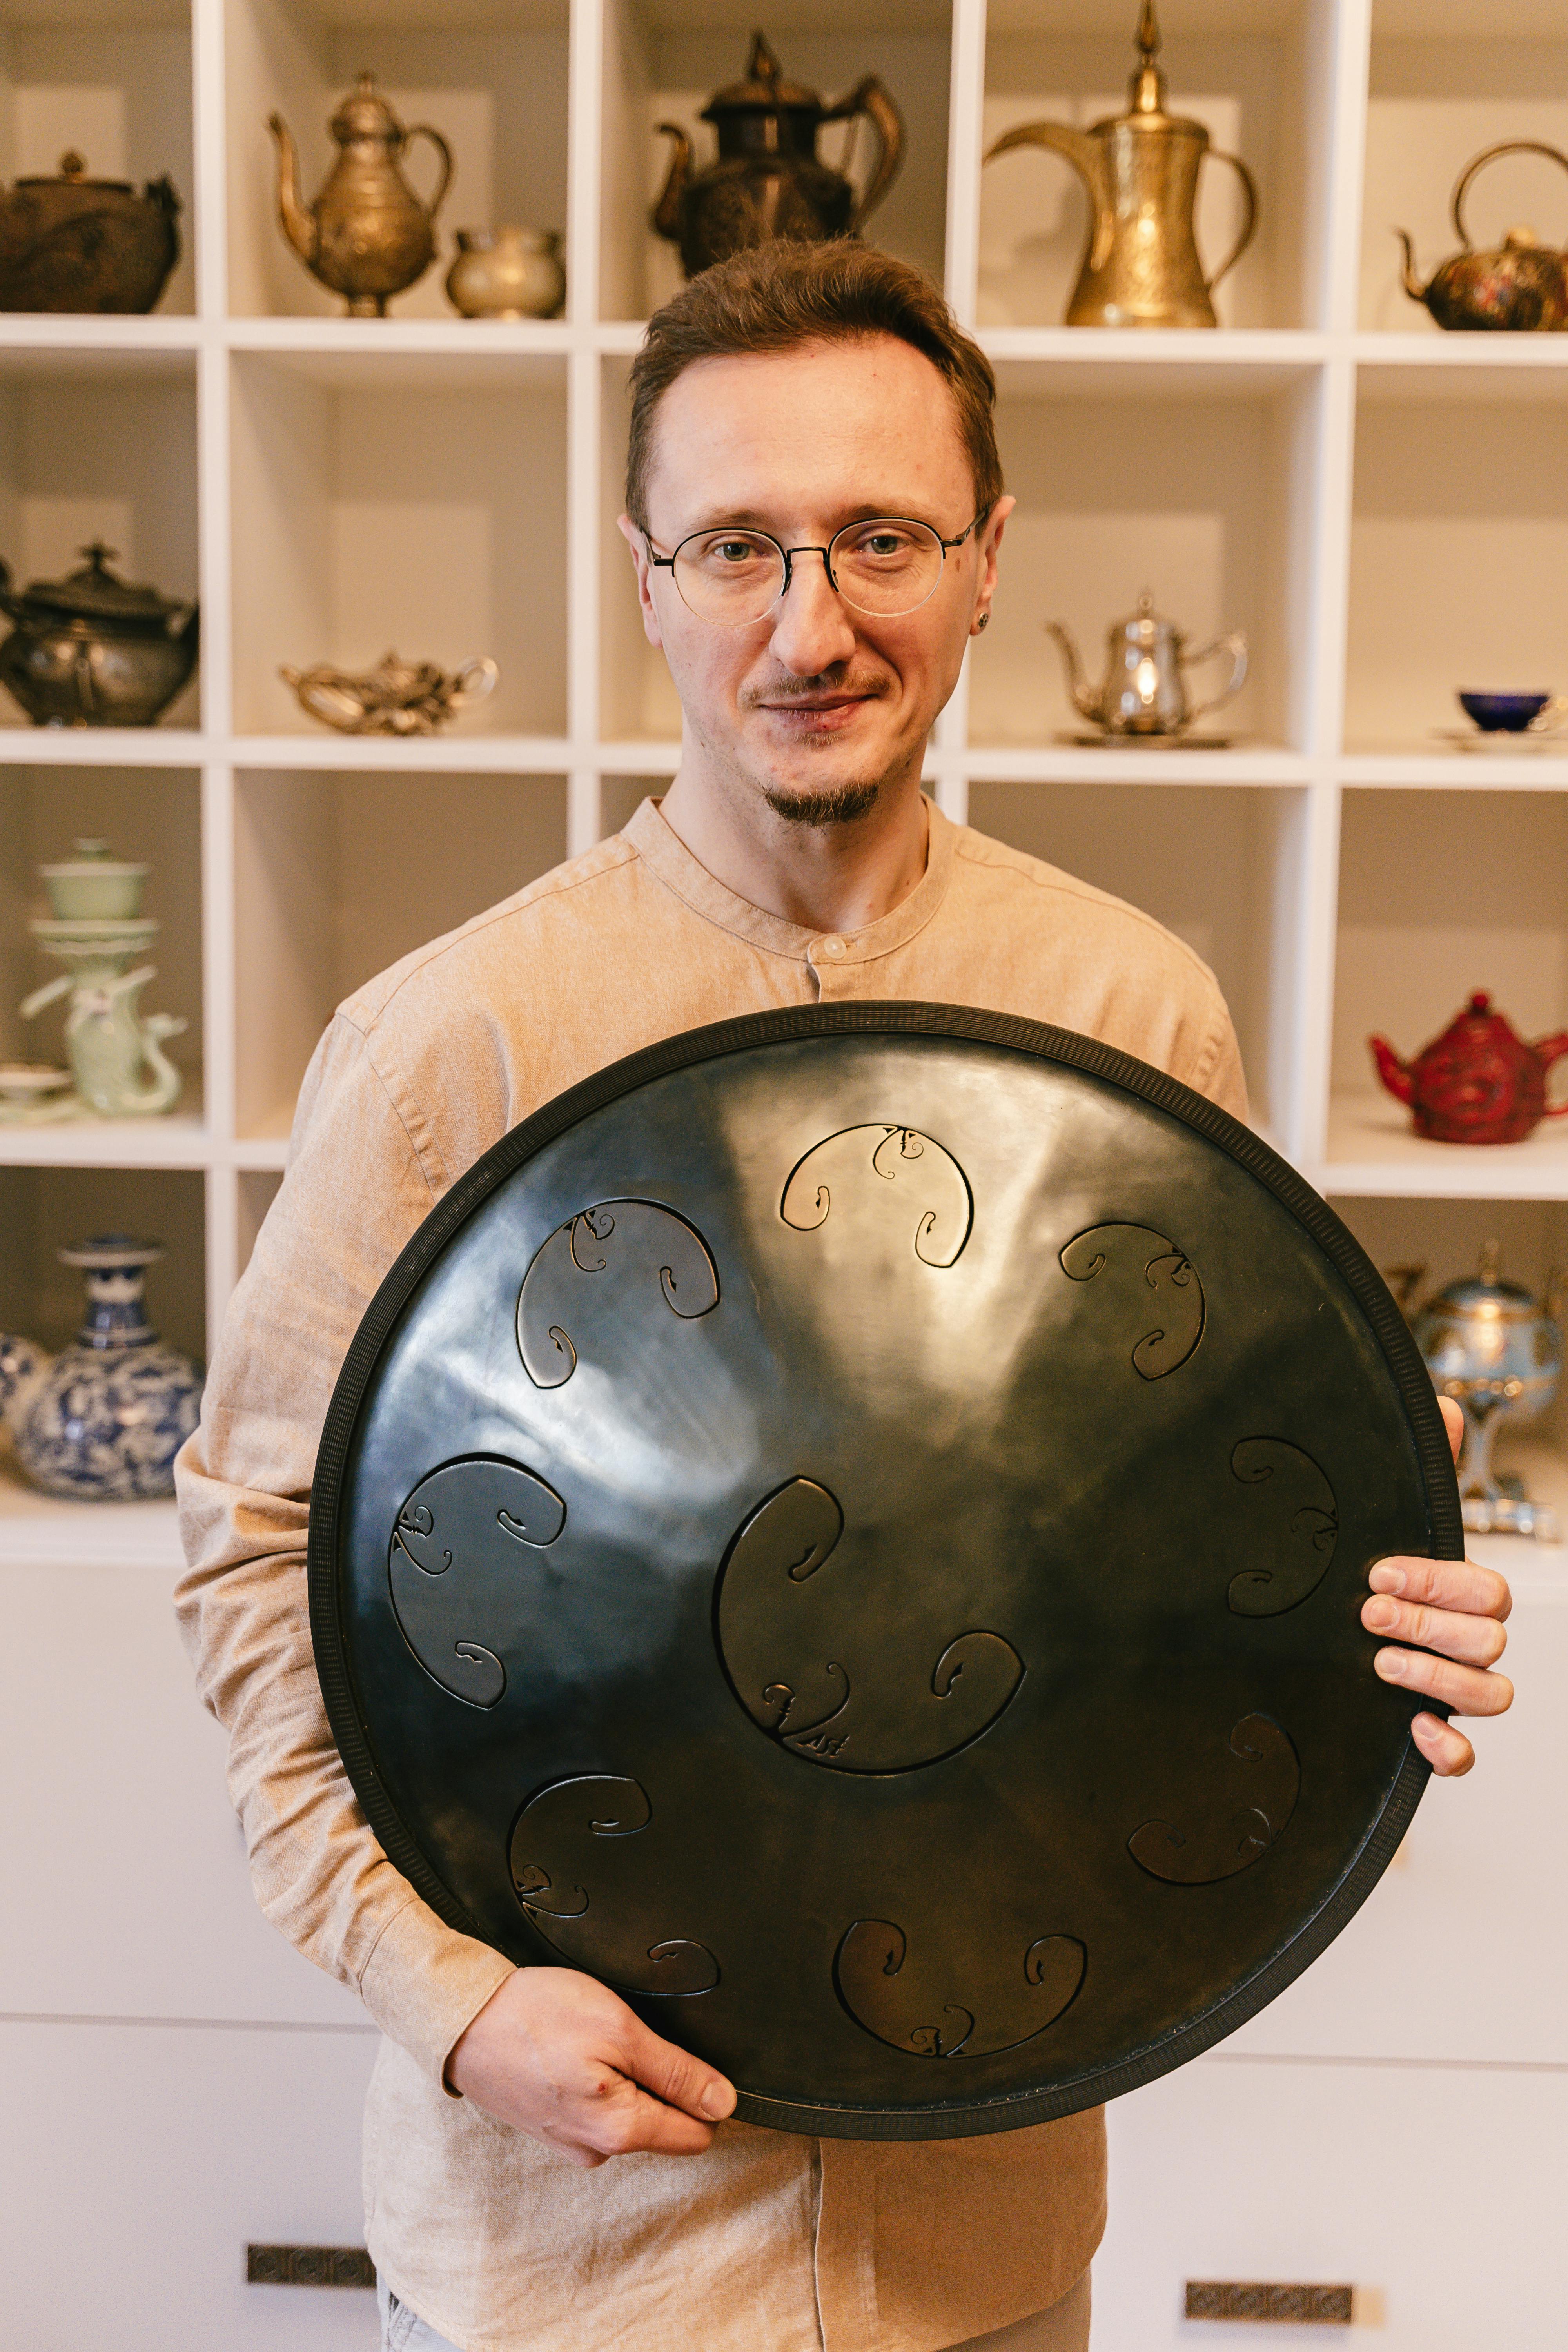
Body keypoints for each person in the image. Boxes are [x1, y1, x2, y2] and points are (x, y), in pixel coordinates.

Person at [174, 241, 1513, 2352]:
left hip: (985, 2244)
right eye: (737, 547)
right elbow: (261, 1557)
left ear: (989, 561)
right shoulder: (456, 1034)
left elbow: (1196, 1517)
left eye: (880, 536)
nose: (811, 625)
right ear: (646, 580)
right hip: (572, 2258)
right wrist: (444, 2005)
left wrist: (1384, 1604)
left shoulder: (1122, 1007)